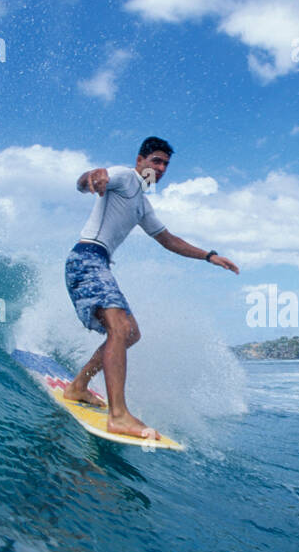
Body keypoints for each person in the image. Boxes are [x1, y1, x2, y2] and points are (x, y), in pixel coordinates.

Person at [63, 136, 239, 439]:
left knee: (131, 333)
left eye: (165, 165)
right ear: (140, 161)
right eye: (156, 161)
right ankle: (118, 415)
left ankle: (78, 386)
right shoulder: (124, 177)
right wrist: (92, 177)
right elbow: (88, 181)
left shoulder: (142, 205)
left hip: (100, 263)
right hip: (86, 257)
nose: (160, 168)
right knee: (119, 328)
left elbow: (169, 240)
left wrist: (210, 256)